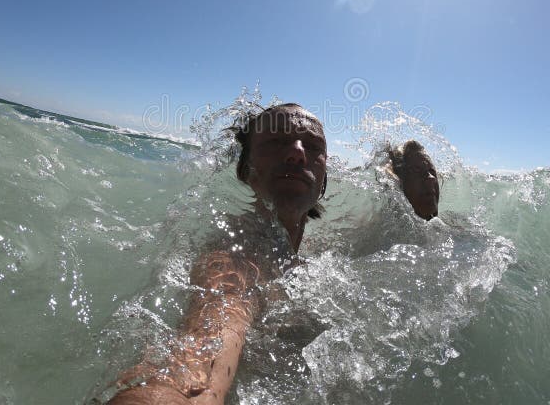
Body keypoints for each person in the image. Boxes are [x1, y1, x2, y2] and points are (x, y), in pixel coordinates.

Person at [106, 103, 439, 404]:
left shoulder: (319, 255)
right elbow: (212, 327)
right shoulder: (235, 251)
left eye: (312, 146)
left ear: (323, 181)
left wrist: (411, 198)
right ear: (245, 169)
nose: (296, 153)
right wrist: (176, 391)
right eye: (277, 142)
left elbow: (391, 240)